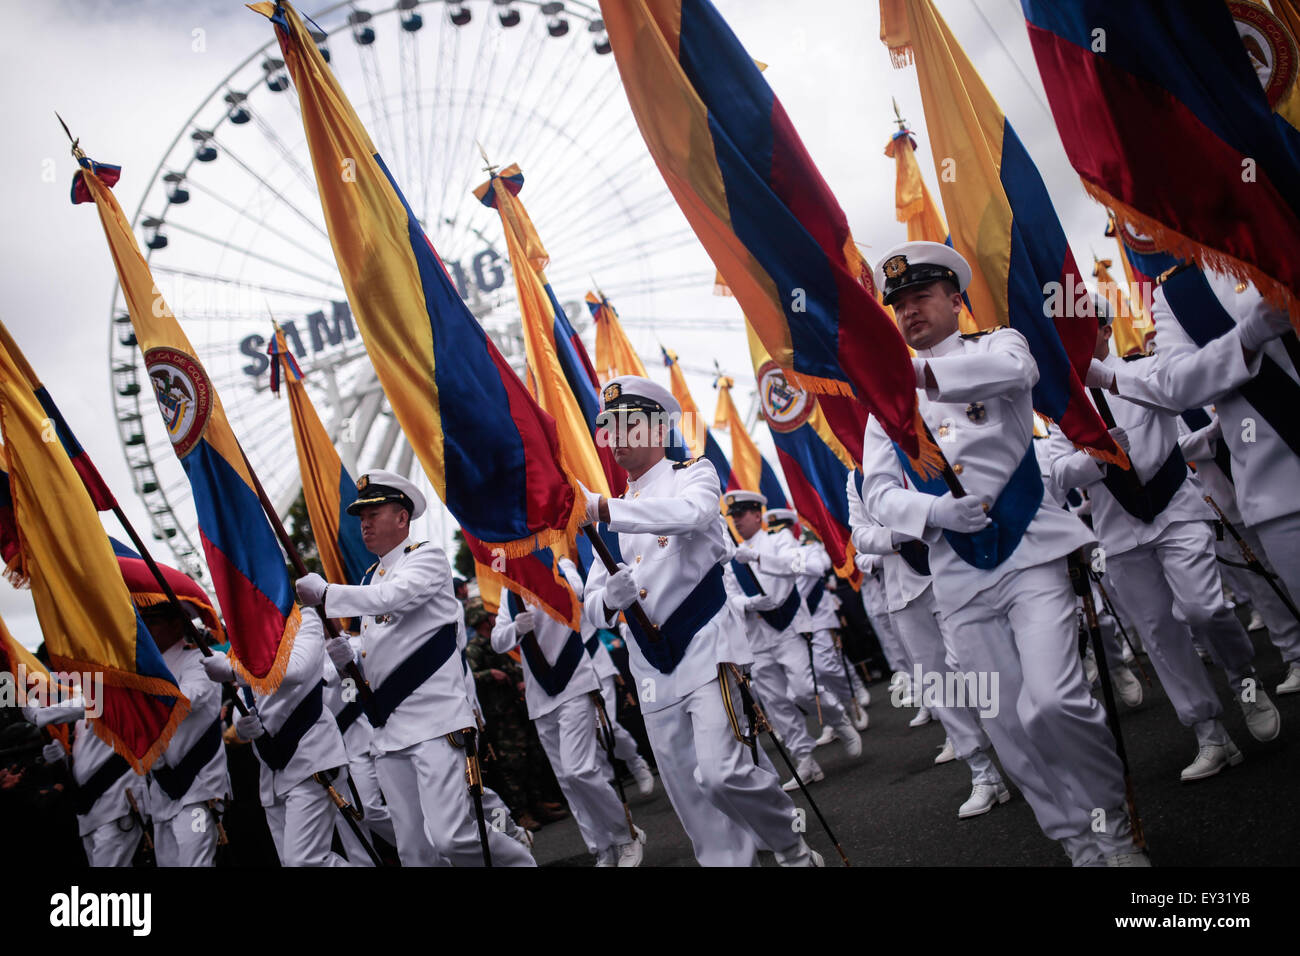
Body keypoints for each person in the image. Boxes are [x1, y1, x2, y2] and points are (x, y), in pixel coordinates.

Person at [858, 240, 1144, 866]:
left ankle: (1114, 828)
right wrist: (932, 512)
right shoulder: (886, 408)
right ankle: (1076, 842)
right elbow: (877, 492)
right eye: (898, 304)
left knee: (1052, 702)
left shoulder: (999, 345)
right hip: (959, 577)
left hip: (1031, 553)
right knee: (1007, 725)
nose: (909, 312)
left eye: (922, 296)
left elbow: (1021, 377)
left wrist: (912, 376)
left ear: (956, 299)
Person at [580, 376, 824, 866]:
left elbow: (690, 515)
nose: (618, 436)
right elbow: (589, 605)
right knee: (691, 796)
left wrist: (607, 509)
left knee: (722, 774)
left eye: (629, 424)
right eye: (610, 427)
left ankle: (790, 846)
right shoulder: (614, 508)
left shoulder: (693, 473)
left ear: (658, 427)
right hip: (652, 667)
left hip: (708, 648)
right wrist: (610, 597)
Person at [1048, 309, 1280, 780]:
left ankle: (1246, 684)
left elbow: (1173, 396)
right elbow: (1055, 474)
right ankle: (1209, 731)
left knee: (1204, 609)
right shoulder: (1063, 405)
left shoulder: (1143, 369)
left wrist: (1109, 380)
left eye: (1084, 327)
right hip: (1118, 528)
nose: (1076, 338)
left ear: (1105, 331)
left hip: (1175, 510)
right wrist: (1093, 458)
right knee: (1159, 633)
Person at [297, 469, 534, 867]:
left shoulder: (426, 557)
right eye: (360, 515)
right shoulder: (371, 576)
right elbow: (383, 654)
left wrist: (327, 594)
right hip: (390, 731)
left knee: (453, 836)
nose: (364, 523)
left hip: (435, 724)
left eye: (374, 512)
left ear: (402, 517)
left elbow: (395, 597)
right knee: (415, 853)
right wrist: (345, 658)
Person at [1089, 262, 1300, 698]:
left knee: (1216, 602)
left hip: (1211, 486)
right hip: (1260, 484)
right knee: (1259, 582)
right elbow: (1176, 391)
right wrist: (1246, 338)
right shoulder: (1179, 292)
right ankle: (1291, 652)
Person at [846, 482, 1010, 818]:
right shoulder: (857, 476)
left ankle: (1018, 752)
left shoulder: (920, 446)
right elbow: (860, 537)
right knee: (937, 684)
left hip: (949, 569)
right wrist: (904, 533)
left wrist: (916, 521)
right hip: (903, 590)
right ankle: (983, 773)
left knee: (972, 666)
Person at [491, 584, 647, 866]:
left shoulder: (554, 570)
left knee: (580, 770)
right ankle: (602, 848)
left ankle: (626, 833)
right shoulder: (508, 590)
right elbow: (498, 640)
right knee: (568, 781)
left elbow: (581, 592)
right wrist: (515, 627)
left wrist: (553, 576)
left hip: (574, 681)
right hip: (540, 695)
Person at [201, 608, 360, 866]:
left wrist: (233, 671)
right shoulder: (246, 653)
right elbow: (243, 707)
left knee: (305, 861)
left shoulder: (302, 620)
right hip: (273, 772)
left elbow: (296, 670)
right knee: (291, 863)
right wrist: (243, 726)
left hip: (311, 759)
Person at [725, 491, 862, 792]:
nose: (737, 521)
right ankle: (805, 759)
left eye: (741, 515)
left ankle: (839, 721)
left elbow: (800, 566)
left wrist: (760, 558)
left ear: (757, 515)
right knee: (776, 703)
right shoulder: (733, 558)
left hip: (787, 628)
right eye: (733, 517)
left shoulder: (778, 541)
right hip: (758, 636)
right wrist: (748, 604)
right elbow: (729, 594)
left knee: (802, 689)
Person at [464, 598, 567, 832]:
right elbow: (472, 677)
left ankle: (539, 803)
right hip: (500, 717)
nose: (493, 618)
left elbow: (513, 665)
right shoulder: (475, 647)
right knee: (513, 765)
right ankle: (521, 813)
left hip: (516, 708)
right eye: (488, 615)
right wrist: (490, 673)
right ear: (480, 619)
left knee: (532, 755)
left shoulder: (497, 638)